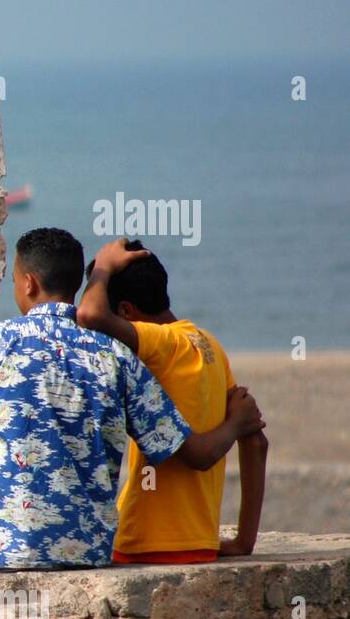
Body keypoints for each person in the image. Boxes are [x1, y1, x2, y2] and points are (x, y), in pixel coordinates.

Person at [0, 228, 264, 619]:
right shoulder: (118, 356)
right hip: (89, 552)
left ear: (28, 283)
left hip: (2, 553)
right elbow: (192, 451)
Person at [76, 238, 269, 563]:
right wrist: (243, 541)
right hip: (201, 543)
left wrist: (104, 266)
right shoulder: (210, 345)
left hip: (142, 541)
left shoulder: (159, 344)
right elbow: (256, 443)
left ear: (125, 312)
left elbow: (89, 315)